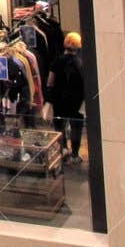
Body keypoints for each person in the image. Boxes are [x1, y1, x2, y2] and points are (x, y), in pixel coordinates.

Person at [47, 31, 87, 164]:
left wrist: (50, 98)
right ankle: (75, 154)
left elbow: (50, 82)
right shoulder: (80, 63)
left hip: (59, 100)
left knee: (59, 126)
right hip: (76, 101)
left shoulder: (57, 61)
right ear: (78, 46)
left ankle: (62, 149)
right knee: (76, 127)